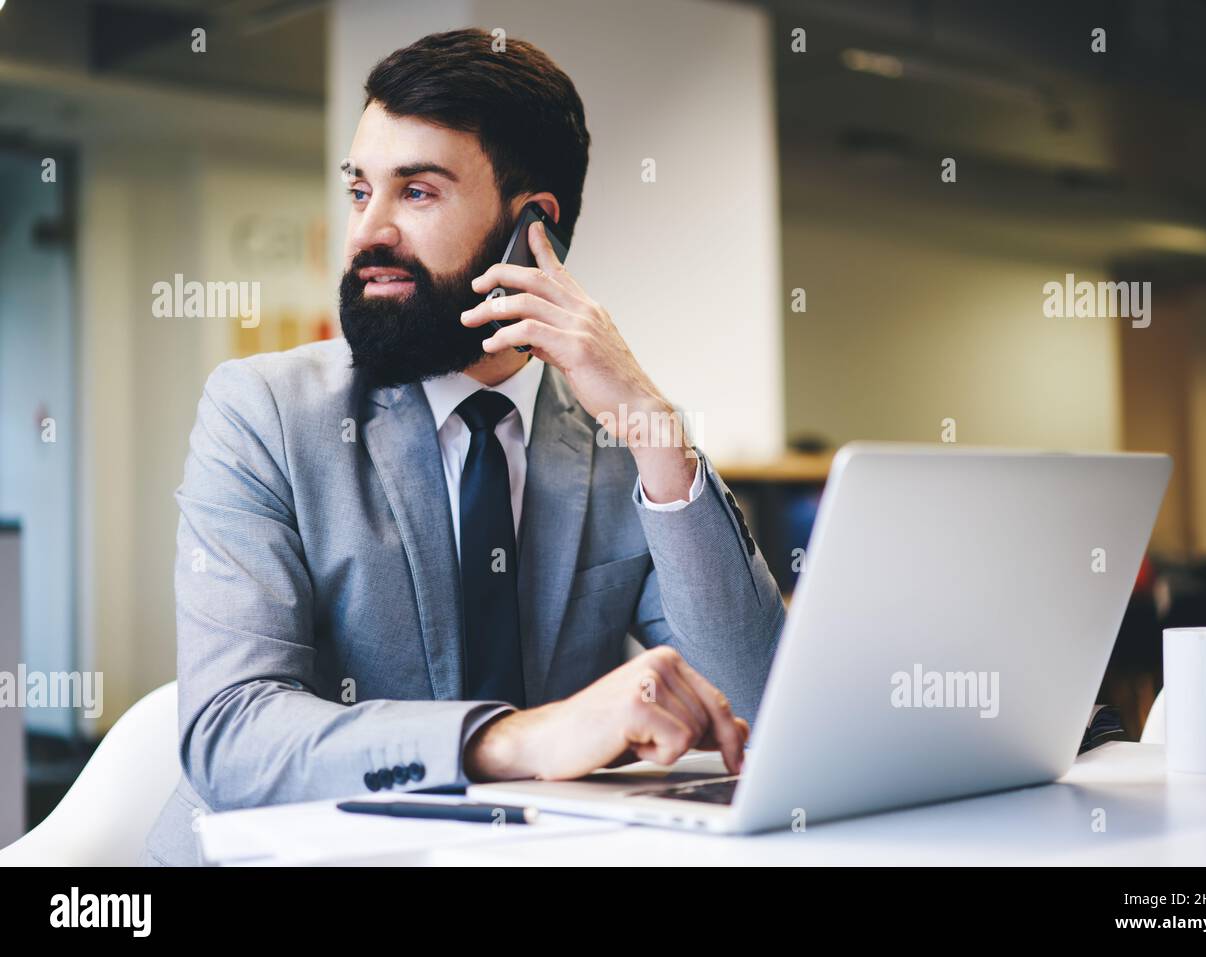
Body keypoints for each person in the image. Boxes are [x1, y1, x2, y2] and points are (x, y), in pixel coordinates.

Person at [141, 28, 783, 866]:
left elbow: (761, 695)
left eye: (417, 193)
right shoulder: (262, 412)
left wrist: (648, 419)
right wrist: (515, 739)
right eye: (360, 190)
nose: (368, 233)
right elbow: (231, 738)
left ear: (532, 229)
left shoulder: (614, 433)